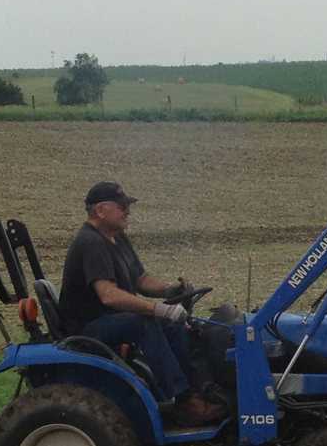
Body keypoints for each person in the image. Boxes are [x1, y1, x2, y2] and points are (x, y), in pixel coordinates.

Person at [58, 181, 226, 426]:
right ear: (101, 210)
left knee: (173, 324)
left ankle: (196, 391)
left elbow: (141, 279)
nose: (127, 211)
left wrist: (169, 290)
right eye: (122, 206)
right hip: (88, 327)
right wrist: (158, 309)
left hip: (111, 320)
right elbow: (108, 295)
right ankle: (183, 399)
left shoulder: (117, 237)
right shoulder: (91, 242)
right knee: (144, 322)